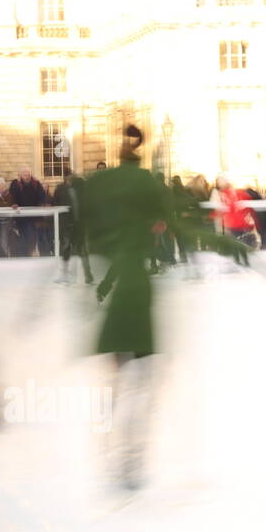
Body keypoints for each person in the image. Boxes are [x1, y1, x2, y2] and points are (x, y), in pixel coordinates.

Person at [83, 126, 168, 491]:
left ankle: (108, 453)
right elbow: (166, 223)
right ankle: (132, 458)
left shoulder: (104, 185)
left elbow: (90, 230)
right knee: (143, 385)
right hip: (138, 296)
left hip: (116, 294)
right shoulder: (148, 187)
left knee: (114, 380)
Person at [54, 172, 94, 285]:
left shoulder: (80, 188)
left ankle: (87, 274)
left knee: (81, 249)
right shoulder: (61, 189)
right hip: (68, 225)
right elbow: (55, 203)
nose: (69, 181)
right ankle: (65, 274)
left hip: (77, 224)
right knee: (67, 248)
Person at [10, 167, 49, 257]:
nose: (26, 176)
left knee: (31, 234)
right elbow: (12, 195)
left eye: (28, 174)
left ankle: (29, 252)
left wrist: (44, 203)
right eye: (24, 174)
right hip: (20, 215)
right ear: (20, 175)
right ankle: (24, 253)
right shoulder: (15, 183)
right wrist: (13, 203)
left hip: (33, 215)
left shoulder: (36, 183)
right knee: (23, 234)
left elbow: (42, 194)